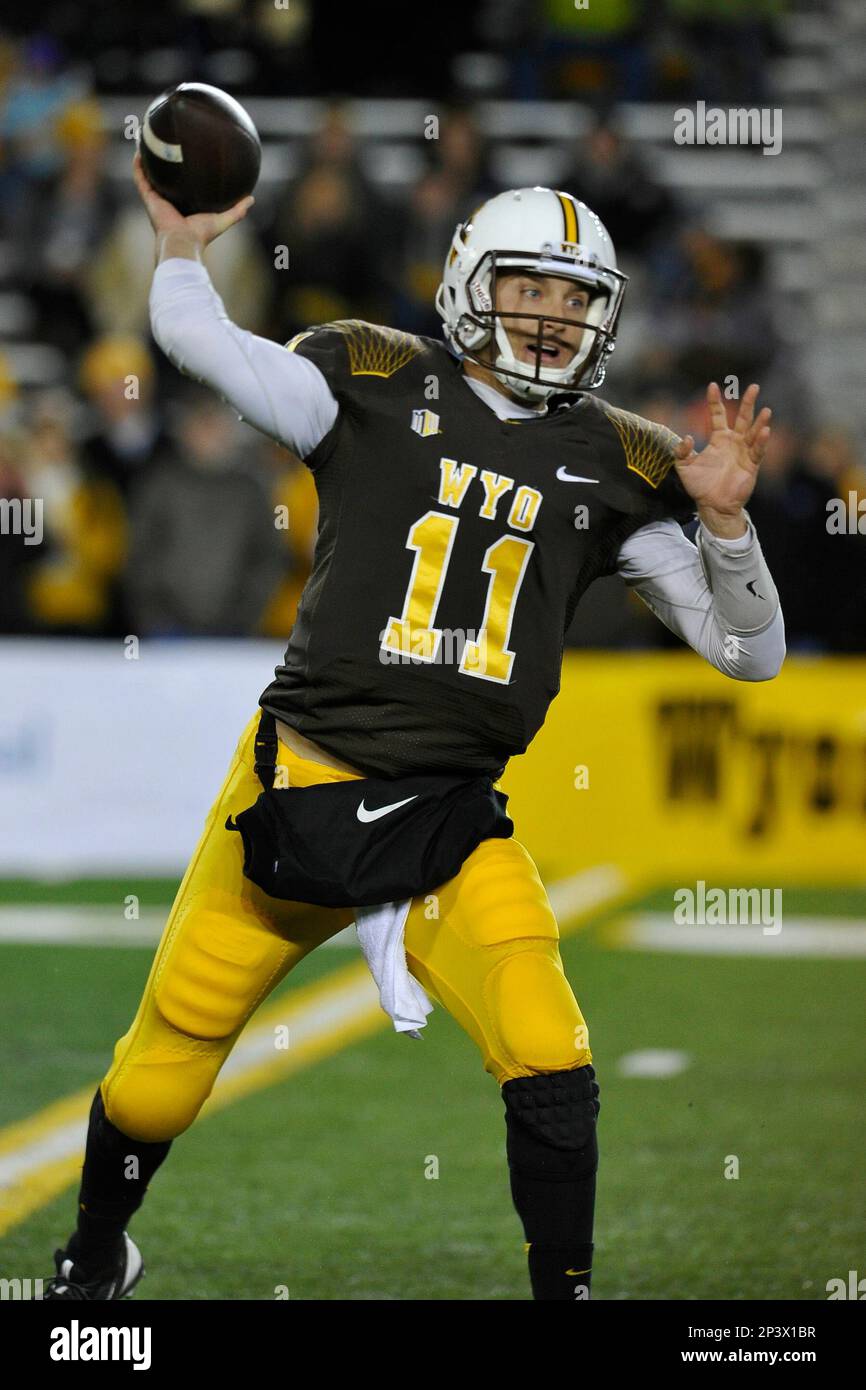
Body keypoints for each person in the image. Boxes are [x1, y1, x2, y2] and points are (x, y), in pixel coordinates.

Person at [41, 158, 785, 1302]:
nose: (552, 317)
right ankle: (96, 1248)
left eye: (576, 298)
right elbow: (203, 346)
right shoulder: (374, 376)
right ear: (468, 283)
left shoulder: (619, 459)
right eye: (530, 288)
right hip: (299, 785)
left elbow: (748, 651)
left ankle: (562, 1290)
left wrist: (727, 526)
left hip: (447, 817)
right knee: (161, 1072)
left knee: (550, 1052)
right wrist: (182, 247)